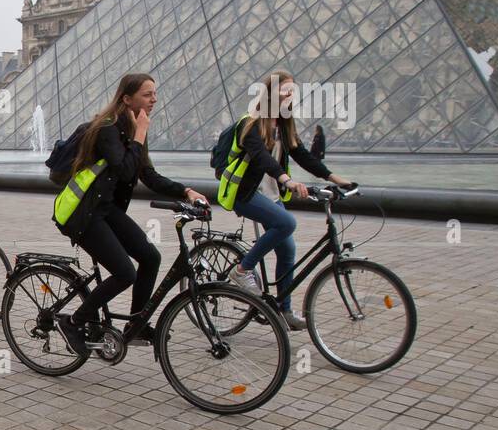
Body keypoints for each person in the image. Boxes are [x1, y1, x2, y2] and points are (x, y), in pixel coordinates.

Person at [55, 73, 207, 354]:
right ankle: (74, 322)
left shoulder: (134, 127)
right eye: (147, 95)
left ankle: (134, 325)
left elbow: (145, 173)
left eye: (154, 93)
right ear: (127, 98)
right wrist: (139, 135)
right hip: (85, 214)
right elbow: (125, 169)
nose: (154, 100)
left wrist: (185, 191)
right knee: (125, 272)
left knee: (151, 257)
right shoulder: (107, 129)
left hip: (107, 209)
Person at [222, 71, 352, 329]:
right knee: (287, 223)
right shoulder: (252, 122)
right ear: (270, 93)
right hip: (245, 194)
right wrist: (286, 180)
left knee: (288, 249)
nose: (289, 95)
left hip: (270, 195)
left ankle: (284, 311)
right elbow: (262, 157)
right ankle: (242, 270)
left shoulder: (283, 124)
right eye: (285, 90)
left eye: (293, 91)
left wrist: (337, 179)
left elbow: (302, 155)